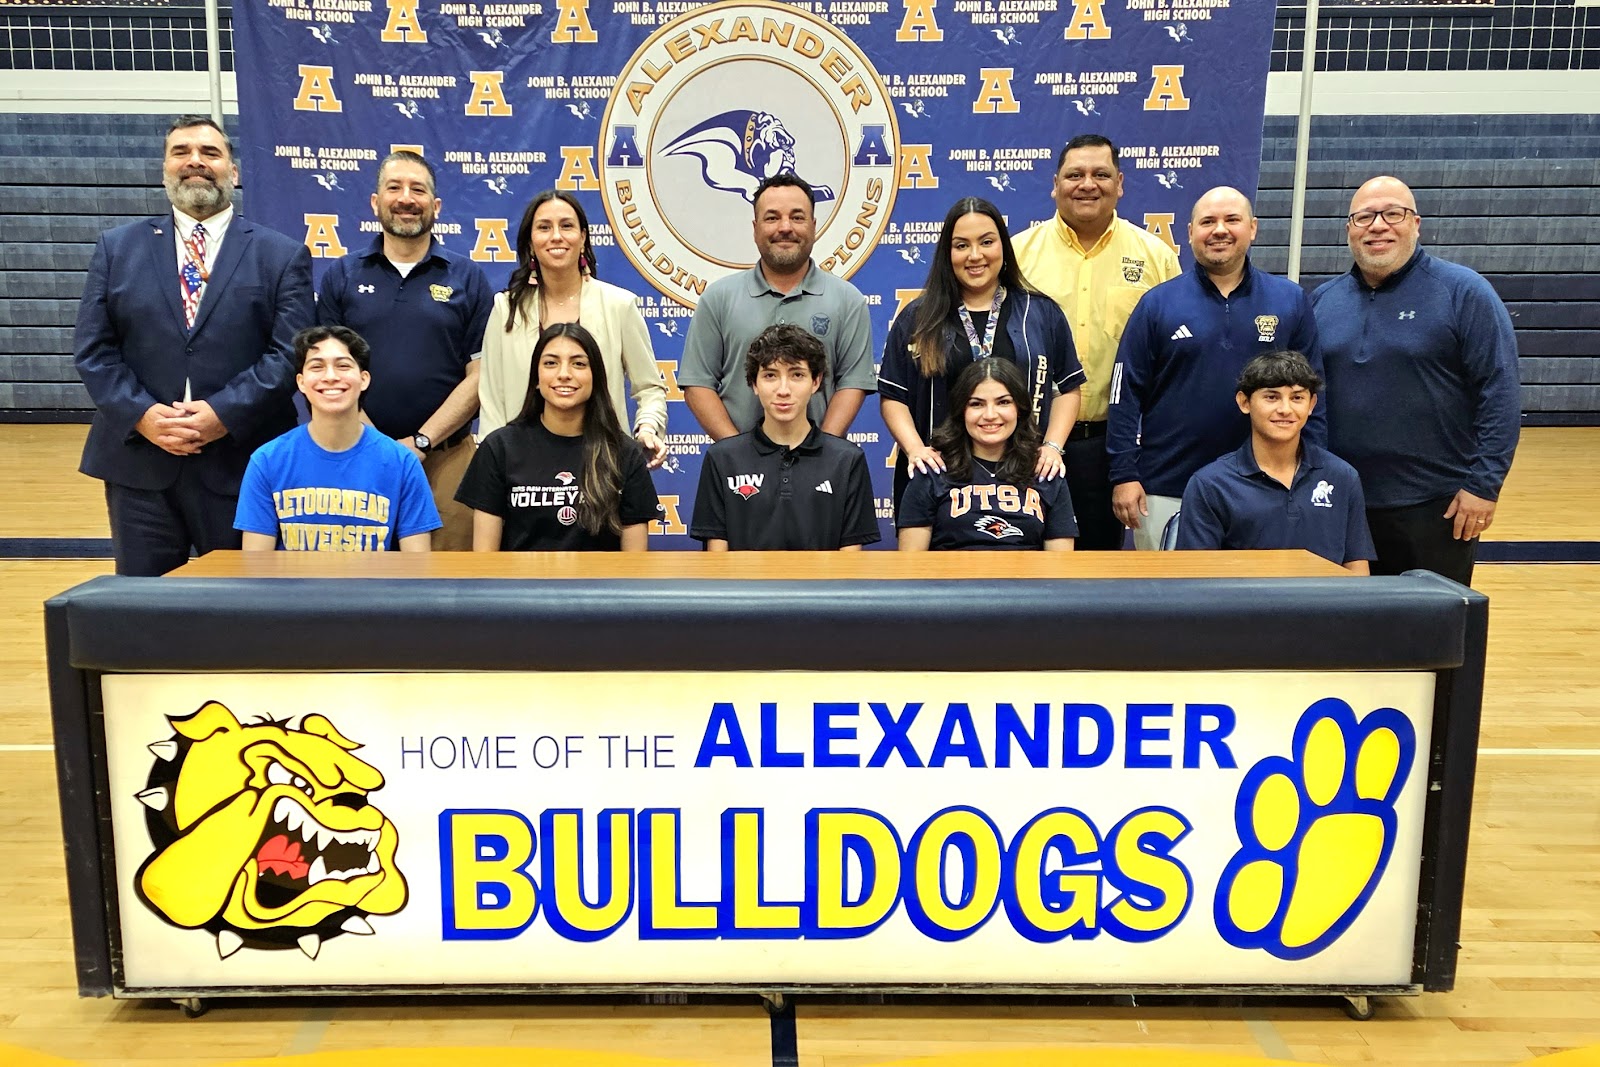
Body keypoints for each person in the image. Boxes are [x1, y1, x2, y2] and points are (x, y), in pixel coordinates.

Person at [73, 115, 314, 575]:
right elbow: (93, 350)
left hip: (241, 463)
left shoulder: (281, 255)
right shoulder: (117, 248)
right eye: (181, 152)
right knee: (144, 612)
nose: (195, 162)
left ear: (234, 172)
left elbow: (289, 354)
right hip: (140, 464)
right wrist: (142, 415)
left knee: (240, 612)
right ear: (165, 168)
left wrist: (223, 413)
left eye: (210, 153)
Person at [1311, 176, 1520, 586]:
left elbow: (1501, 393)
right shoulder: (1322, 301)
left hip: (1435, 508)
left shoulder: (1464, 293)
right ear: (1349, 229)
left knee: (1430, 641)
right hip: (1340, 502)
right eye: (1364, 216)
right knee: (1342, 634)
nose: (1378, 225)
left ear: (1416, 223)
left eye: (1393, 214)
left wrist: (1484, 485)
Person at [1108, 186, 1323, 551]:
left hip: (1268, 485)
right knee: (1171, 602)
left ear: (1252, 228)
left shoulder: (1289, 300)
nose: (1219, 229)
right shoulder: (1157, 304)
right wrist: (1124, 474)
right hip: (1168, 486)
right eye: (1208, 222)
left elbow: (1314, 394)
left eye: (1232, 220)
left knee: (1258, 601)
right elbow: (1123, 393)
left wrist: (1313, 473)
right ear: (1190, 232)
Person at [315, 150, 494, 551]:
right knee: (359, 592)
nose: (406, 198)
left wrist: (422, 442)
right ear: (375, 203)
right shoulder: (341, 276)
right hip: (354, 455)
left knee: (451, 592)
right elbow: (326, 373)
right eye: (394, 187)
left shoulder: (468, 277)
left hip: (446, 461)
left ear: (436, 206)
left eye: (418, 189)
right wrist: (376, 446)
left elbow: (481, 376)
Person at [1012, 134, 1180, 550]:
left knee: (1094, 570)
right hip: (1023, 442)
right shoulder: (1016, 256)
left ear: (1120, 183)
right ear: (1055, 184)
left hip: (1109, 448)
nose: (1088, 184)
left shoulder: (1156, 258)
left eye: (1100, 174)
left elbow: (1174, 357)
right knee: (1018, 565)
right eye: (1075, 175)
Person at [878, 196, 1085, 510]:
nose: (975, 255)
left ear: (1003, 246)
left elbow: (1068, 389)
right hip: (940, 480)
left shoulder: (1042, 313)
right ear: (947, 253)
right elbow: (894, 396)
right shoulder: (917, 318)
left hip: (1025, 479)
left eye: (986, 242)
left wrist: (1053, 447)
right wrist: (916, 449)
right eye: (961, 245)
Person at [477, 190, 667, 468]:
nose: (556, 236)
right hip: (523, 471)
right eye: (544, 227)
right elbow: (492, 401)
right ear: (530, 243)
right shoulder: (506, 309)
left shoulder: (618, 305)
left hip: (602, 467)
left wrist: (647, 428)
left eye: (566, 226)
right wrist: (494, 470)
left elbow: (650, 388)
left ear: (583, 238)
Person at [680, 174, 876, 440]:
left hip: (821, 473)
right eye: (772, 218)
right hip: (739, 472)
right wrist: (737, 454)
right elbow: (698, 384)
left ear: (814, 225)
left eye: (797, 217)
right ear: (755, 227)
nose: (785, 227)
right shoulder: (718, 298)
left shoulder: (847, 300)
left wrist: (824, 455)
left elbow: (852, 383)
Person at [457, 323, 661, 551]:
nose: (564, 374)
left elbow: (634, 567)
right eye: (551, 363)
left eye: (579, 364)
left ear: (595, 378)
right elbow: (485, 562)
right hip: (519, 585)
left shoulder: (623, 453)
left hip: (600, 585)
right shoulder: (499, 448)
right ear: (536, 377)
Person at [235, 326, 440, 552]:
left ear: (364, 379)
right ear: (301, 382)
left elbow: (417, 568)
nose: (331, 377)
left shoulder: (402, 463)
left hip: (374, 587)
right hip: (294, 588)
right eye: (317, 366)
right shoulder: (267, 461)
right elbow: (256, 569)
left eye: (343, 365)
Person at [1178, 350, 1373, 573]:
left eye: (1297, 397)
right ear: (1244, 402)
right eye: (1271, 397)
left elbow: (1357, 572)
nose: (1285, 409)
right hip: (1246, 607)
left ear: (1311, 405)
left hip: (1327, 607)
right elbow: (1198, 580)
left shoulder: (1343, 477)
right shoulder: (1210, 485)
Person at [691, 324, 879, 551]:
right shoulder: (722, 459)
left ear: (816, 382)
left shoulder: (847, 460)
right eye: (770, 375)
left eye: (797, 375)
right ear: (754, 384)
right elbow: (717, 561)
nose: (783, 390)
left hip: (824, 586)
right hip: (743, 587)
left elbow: (851, 561)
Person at [897, 358, 1077, 551]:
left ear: (1020, 409)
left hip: (1027, 579)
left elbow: (1059, 567)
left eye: (1003, 402)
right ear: (961, 410)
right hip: (952, 579)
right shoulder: (932, 470)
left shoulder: (1046, 470)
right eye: (977, 404)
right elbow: (912, 564)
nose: (990, 414)